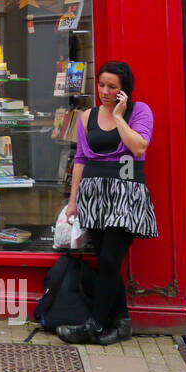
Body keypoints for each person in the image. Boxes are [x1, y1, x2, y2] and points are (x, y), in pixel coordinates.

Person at [57, 60, 158, 346]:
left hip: (126, 194)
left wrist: (120, 116)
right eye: (101, 85)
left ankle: (95, 324)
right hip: (94, 194)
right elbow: (80, 159)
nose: (104, 91)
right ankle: (122, 322)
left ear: (124, 89)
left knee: (111, 259)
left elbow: (139, 146)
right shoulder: (87, 117)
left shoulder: (140, 112)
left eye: (112, 87)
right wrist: (73, 200)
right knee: (105, 261)